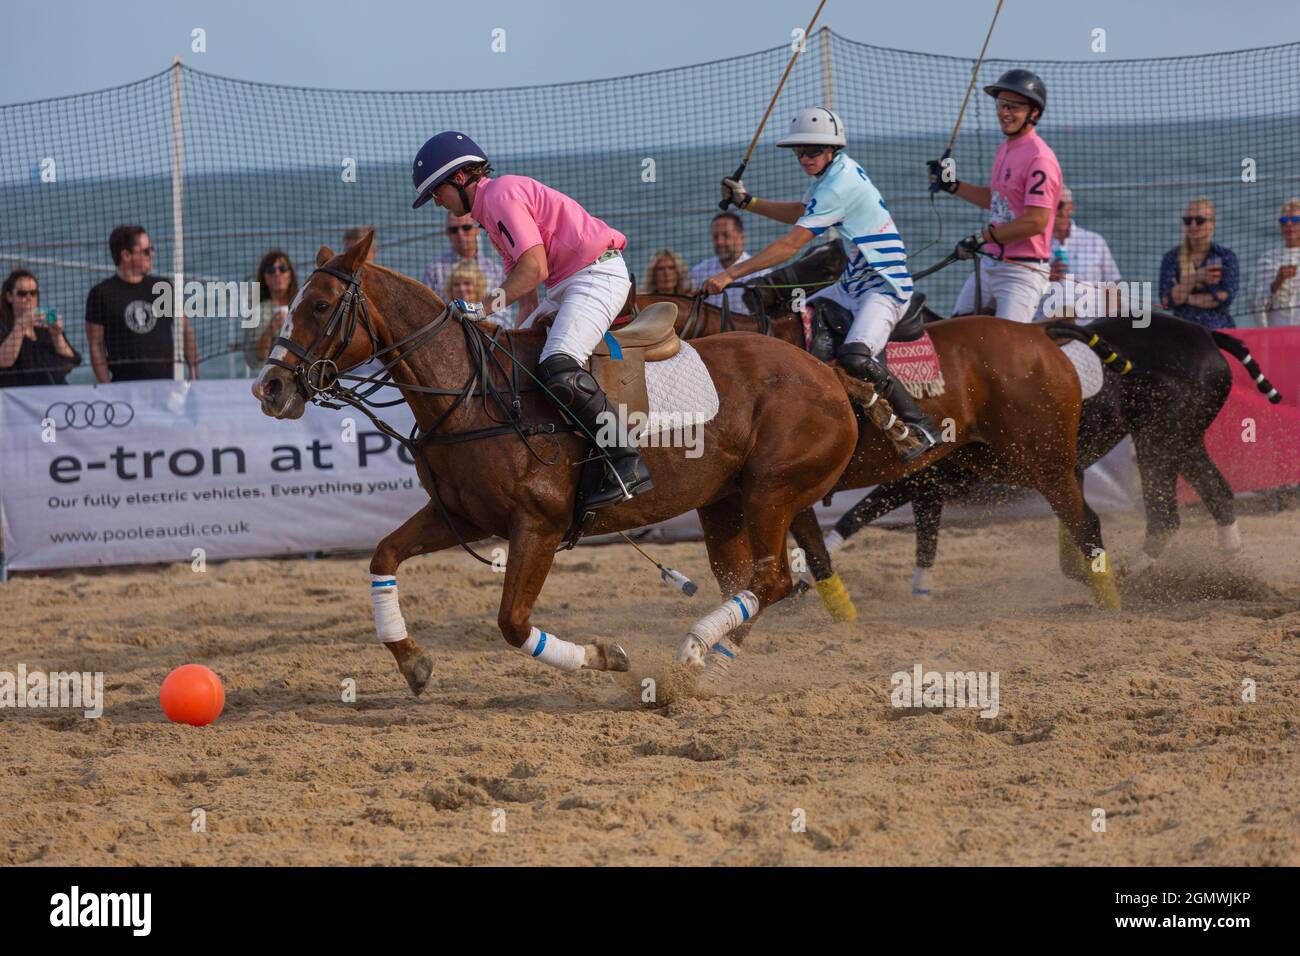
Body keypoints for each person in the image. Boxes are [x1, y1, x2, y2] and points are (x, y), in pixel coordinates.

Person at [410, 130, 651, 508]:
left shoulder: (502, 195)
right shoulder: (488, 213)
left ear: (459, 178)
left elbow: (533, 268)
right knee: (514, 360)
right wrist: (517, 332)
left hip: (597, 276)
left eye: (436, 192)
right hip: (566, 284)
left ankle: (626, 460)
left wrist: (480, 308)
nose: (437, 202)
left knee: (558, 363)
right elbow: (524, 287)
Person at [704, 106, 939, 461]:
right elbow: (802, 212)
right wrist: (748, 202)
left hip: (884, 289)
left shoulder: (839, 184)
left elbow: (790, 244)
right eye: (800, 151)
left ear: (832, 150)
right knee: (795, 322)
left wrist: (729, 275)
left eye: (812, 150)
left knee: (857, 358)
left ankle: (920, 425)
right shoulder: (831, 176)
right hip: (851, 286)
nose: (805, 157)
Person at [928, 69, 1062, 323]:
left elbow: (1036, 221)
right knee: (956, 328)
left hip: (1021, 271)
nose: (1004, 112)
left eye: (1013, 107)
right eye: (1001, 105)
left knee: (1008, 351)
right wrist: (952, 186)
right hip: (991, 263)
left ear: (1034, 113)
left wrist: (982, 237)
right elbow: (998, 200)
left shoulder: (1040, 158)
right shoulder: (1006, 148)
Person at [85, 225, 198, 382]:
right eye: (146, 251)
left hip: (167, 385)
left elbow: (185, 330)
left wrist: (193, 372)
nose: (152, 254)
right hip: (125, 388)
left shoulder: (163, 288)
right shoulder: (101, 294)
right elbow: (95, 345)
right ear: (126, 255)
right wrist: (107, 386)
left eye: (151, 249)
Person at [1033, 186, 1123, 323]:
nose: (1055, 211)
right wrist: (1046, 277)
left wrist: (1111, 325)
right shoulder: (1033, 244)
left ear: (1071, 207)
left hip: (1088, 328)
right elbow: (1024, 289)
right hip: (1045, 327)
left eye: (1059, 205)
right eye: (1049, 206)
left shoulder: (1094, 241)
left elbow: (1112, 286)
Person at [1158, 197, 1238, 329]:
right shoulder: (1171, 258)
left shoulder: (1225, 257)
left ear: (1213, 224)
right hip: (1183, 331)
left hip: (1218, 330)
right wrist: (1195, 278)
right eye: (1188, 221)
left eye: (1199, 221)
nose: (1193, 225)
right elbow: (1166, 301)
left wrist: (1185, 296)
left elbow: (1224, 298)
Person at [421, 212, 511, 326]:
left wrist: (481, 330)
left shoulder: (495, 271)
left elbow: (502, 314)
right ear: (448, 234)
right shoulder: (434, 271)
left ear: (477, 229)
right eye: (454, 230)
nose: (460, 234)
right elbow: (427, 312)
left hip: (487, 335)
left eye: (466, 228)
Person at [0, 269, 81, 387]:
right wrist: (20, 327)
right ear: (9, 296)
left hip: (54, 395)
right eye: (22, 293)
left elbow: (71, 360)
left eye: (33, 293)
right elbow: (4, 361)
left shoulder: (44, 327)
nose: (29, 298)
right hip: (18, 398)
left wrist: (57, 335)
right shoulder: (4, 328)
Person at [688, 213, 766, 314]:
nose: (719, 242)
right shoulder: (699, 272)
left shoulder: (760, 274)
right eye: (715, 237)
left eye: (725, 235)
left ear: (741, 237)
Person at [1246, 198, 1300, 327]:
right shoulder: (1268, 259)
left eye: (1296, 221)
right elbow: (1254, 304)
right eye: (1284, 221)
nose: (1289, 225)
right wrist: (1277, 282)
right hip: (1279, 335)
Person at [245, 249, 299, 373]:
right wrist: (270, 330)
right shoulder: (256, 311)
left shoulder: (302, 303)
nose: (277, 273)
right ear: (265, 277)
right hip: (268, 372)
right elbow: (256, 359)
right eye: (271, 270)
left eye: (283, 268)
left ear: (290, 274)